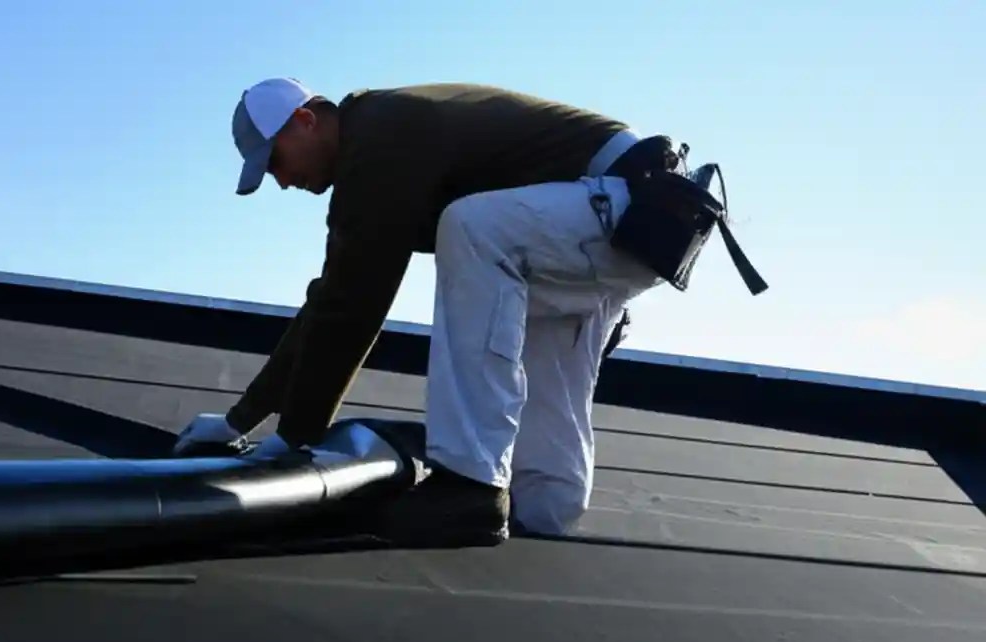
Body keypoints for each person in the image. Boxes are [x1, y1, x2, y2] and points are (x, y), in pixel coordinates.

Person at [173, 78, 765, 545]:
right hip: (623, 228)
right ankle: (544, 508)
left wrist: (290, 437)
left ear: (305, 120)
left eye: (275, 161)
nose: (280, 182)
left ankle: (471, 486)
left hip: (625, 208)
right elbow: (333, 298)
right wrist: (242, 421)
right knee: (518, 313)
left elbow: (351, 301)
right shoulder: (381, 137)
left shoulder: (377, 135)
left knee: (471, 229)